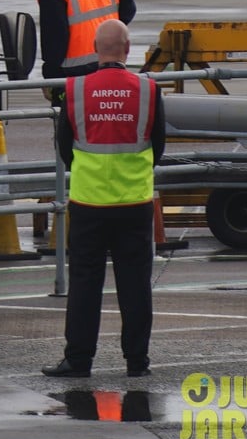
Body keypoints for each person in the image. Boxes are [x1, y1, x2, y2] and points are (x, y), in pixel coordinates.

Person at [41, 19, 166, 378]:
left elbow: (65, 147)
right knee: (135, 284)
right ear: (128, 49)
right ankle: (137, 362)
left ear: (96, 49)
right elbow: (158, 146)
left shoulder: (76, 89)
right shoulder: (148, 90)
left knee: (84, 284)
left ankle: (79, 360)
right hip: (134, 202)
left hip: (88, 202)